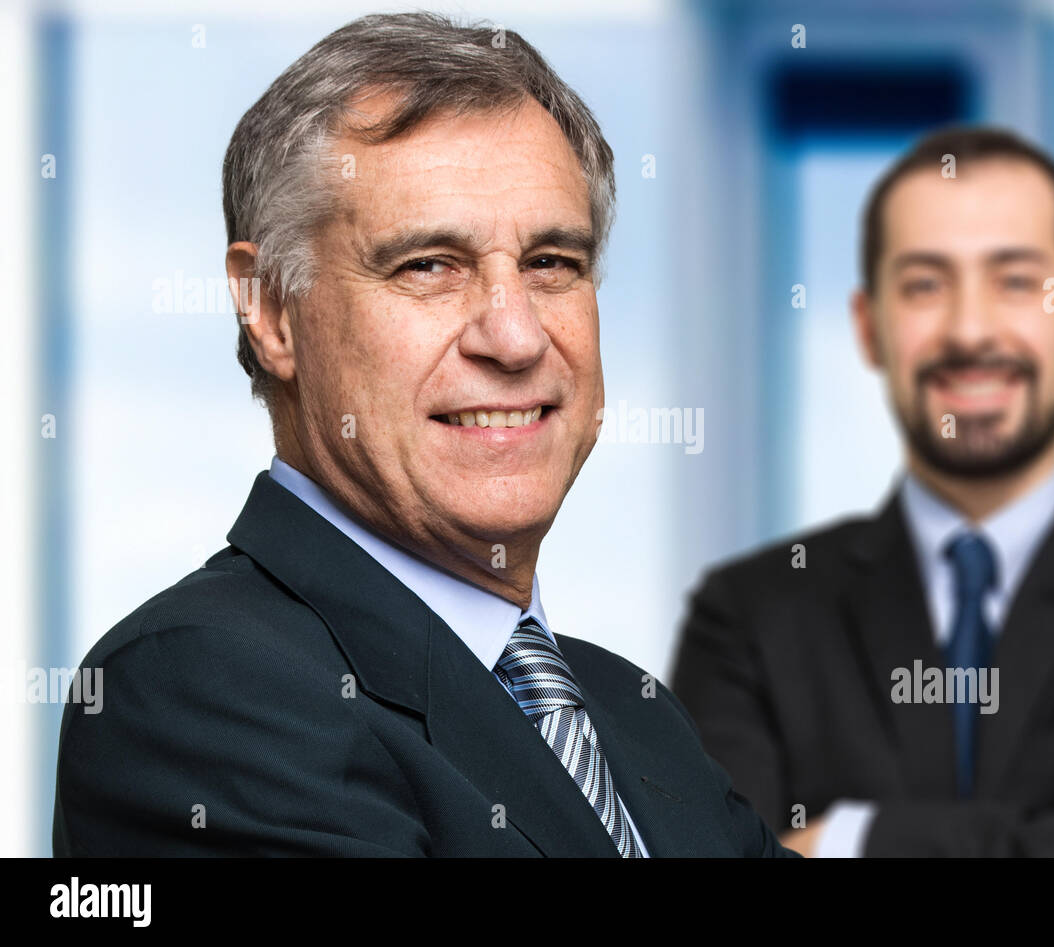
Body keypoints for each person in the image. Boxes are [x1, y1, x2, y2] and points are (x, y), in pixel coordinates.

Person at [52, 12, 795, 859]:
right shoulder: (195, 686)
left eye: (553, 262)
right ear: (269, 308)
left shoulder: (635, 714)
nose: (514, 338)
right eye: (428, 265)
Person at [670, 127, 1054, 857]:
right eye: (925, 284)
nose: (969, 329)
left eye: (1017, 281)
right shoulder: (746, 617)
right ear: (869, 328)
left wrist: (846, 839)